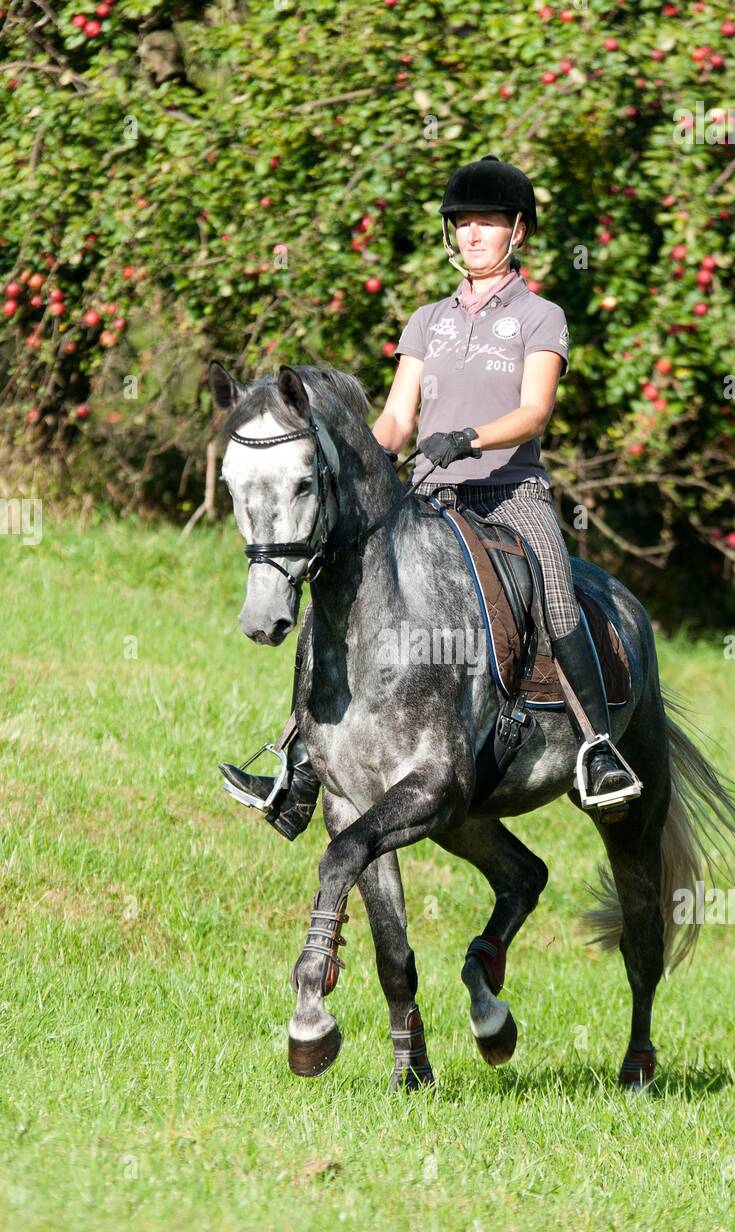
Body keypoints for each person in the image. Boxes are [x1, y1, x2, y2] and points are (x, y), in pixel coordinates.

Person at [221, 155, 641, 837]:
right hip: (429, 492)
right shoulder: (426, 322)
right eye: (464, 223)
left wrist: (470, 438)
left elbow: (534, 413)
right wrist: (362, 462)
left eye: (489, 223)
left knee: (555, 589)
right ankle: (296, 764)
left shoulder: (541, 318)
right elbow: (394, 420)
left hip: (509, 495)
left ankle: (598, 747)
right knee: (337, 583)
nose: (474, 235)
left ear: (517, 234)